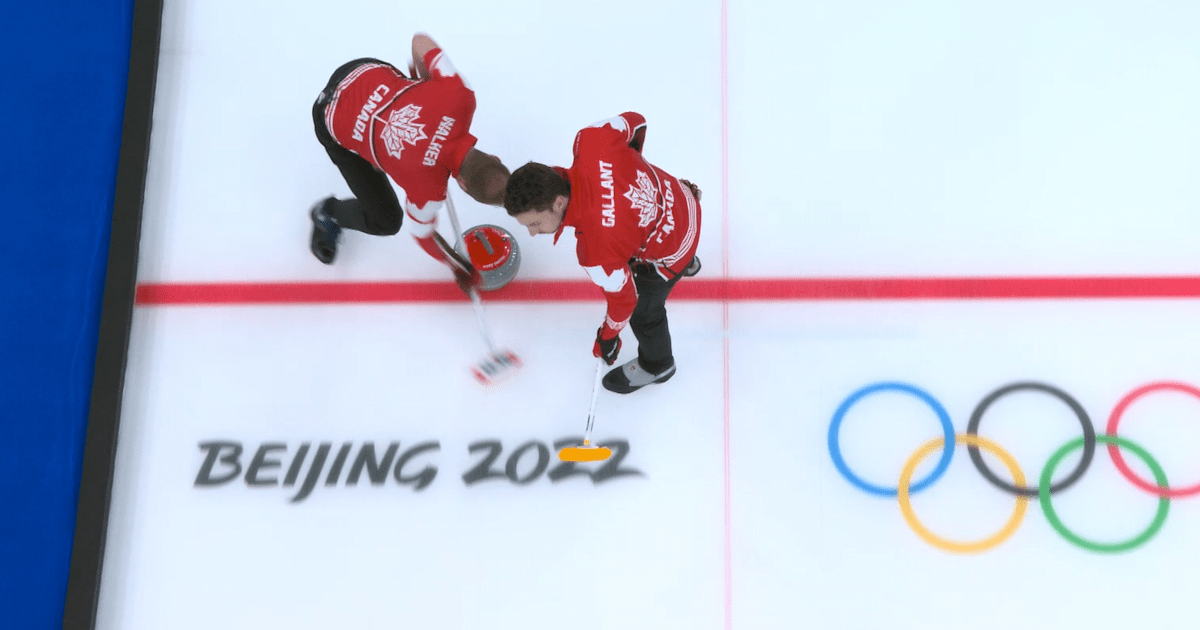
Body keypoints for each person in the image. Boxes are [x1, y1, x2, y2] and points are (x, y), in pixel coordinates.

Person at [502, 112, 702, 394]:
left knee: (645, 312)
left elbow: (625, 302)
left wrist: (607, 338)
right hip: (685, 199)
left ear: (559, 202)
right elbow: (636, 121)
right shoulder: (591, 139)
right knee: (631, 239)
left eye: (534, 223)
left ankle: (659, 365)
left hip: (674, 248)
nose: (533, 233)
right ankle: (688, 262)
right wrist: (629, 172)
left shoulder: (595, 252)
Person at [308, 33, 510, 291]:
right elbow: (423, 235)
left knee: (384, 147)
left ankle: (375, 149)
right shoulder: (428, 191)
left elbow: (420, 41)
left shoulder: (462, 95)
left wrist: (422, 83)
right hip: (327, 116)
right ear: (463, 185)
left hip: (361, 70)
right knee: (386, 220)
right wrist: (458, 266)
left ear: (495, 158)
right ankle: (326, 213)